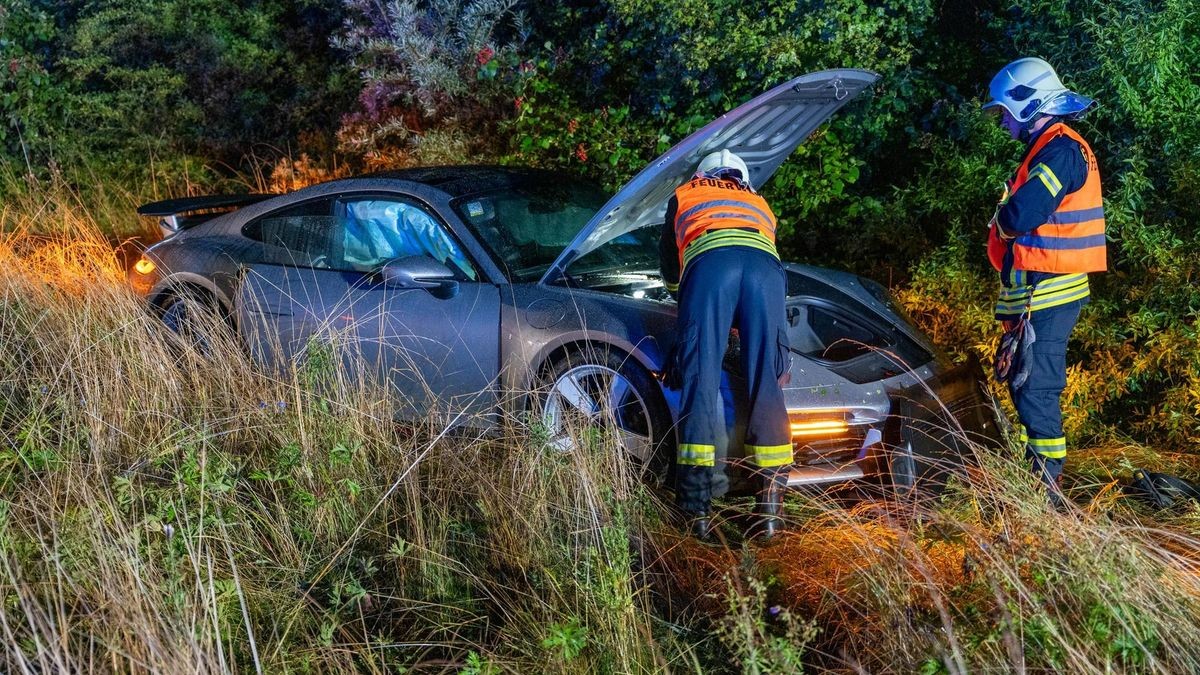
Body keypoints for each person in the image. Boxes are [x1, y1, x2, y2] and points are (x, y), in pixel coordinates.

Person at [982, 57, 1106, 504]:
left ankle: (1046, 496)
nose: (1002, 123)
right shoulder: (1051, 149)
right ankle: (1040, 484)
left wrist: (1002, 217)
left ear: (1027, 103)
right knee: (1025, 382)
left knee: (1036, 386)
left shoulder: (1060, 149)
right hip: (1039, 292)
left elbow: (1021, 214)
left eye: (1004, 112)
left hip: (1050, 290)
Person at [660, 149, 793, 539]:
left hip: (711, 267)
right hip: (766, 273)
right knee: (767, 385)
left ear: (702, 174)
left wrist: (686, 306)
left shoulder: (686, 194)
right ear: (741, 176)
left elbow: (671, 266)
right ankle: (770, 512)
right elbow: (758, 258)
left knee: (699, 382)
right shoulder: (758, 202)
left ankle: (696, 510)